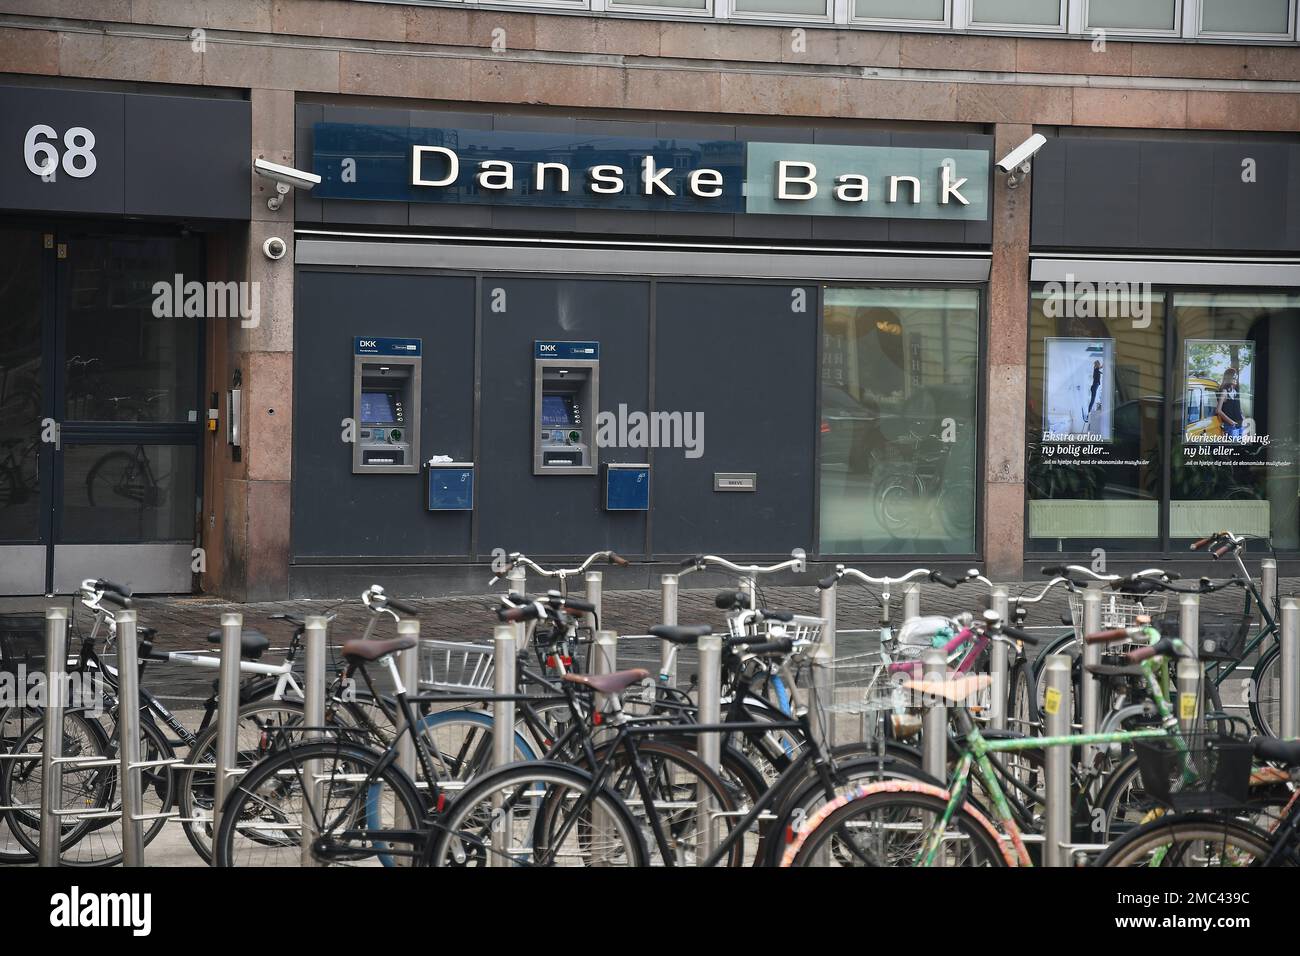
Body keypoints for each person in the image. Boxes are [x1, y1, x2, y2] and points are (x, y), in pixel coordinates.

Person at [1216, 366, 1244, 439]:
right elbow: (1218, 410)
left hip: (1240, 425)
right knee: (1233, 448)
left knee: (1240, 448)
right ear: (1229, 377)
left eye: (1236, 377)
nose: (1236, 379)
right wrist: (1231, 422)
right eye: (1234, 377)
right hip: (1231, 426)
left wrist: (1243, 417)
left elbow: (1238, 408)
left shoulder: (1235, 392)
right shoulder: (1224, 391)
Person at [1083, 358, 1102, 425]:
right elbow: (1101, 367)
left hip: (1094, 387)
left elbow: (1100, 371)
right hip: (1094, 387)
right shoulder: (1096, 369)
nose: (1099, 365)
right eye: (1098, 364)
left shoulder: (1096, 370)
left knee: (1092, 400)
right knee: (1092, 401)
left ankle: (1089, 413)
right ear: (1097, 364)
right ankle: (1088, 413)